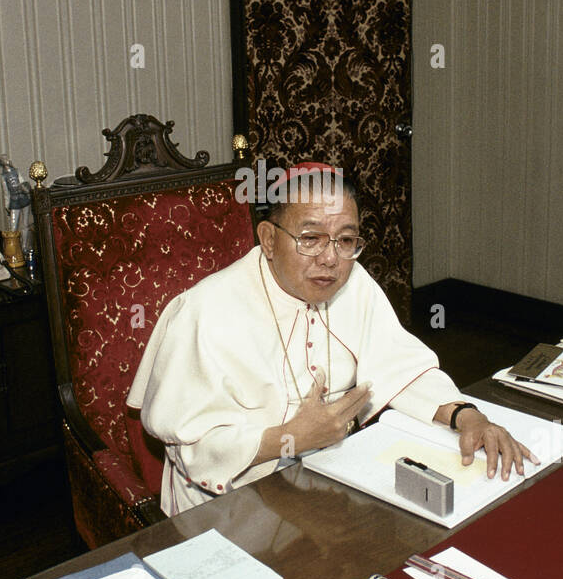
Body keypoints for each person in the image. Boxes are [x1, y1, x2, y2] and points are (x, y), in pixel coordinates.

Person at [126, 163, 537, 515]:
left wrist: (469, 417)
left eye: (345, 239)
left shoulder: (354, 283)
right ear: (268, 240)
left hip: (330, 479)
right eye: (310, 238)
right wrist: (288, 439)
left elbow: (401, 368)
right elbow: (191, 449)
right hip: (229, 504)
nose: (330, 259)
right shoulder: (205, 312)